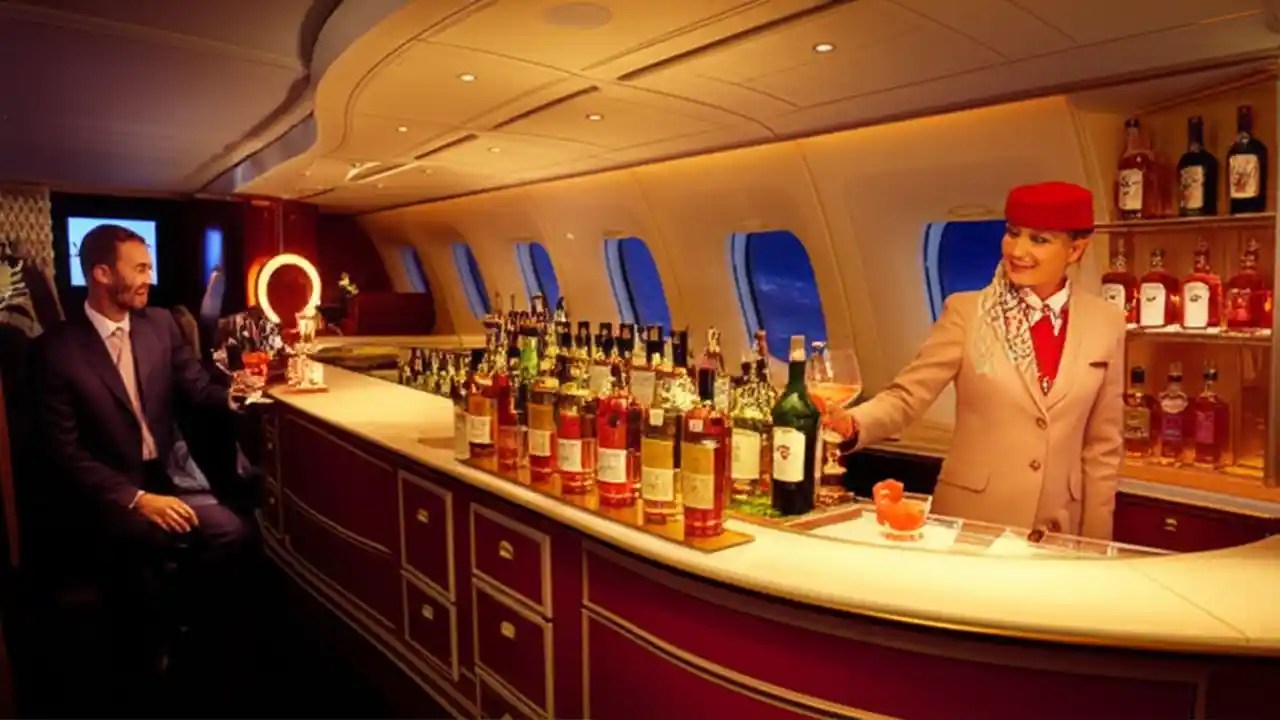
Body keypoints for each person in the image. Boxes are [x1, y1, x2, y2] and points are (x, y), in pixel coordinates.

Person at [829, 182, 1125, 539]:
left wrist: (1095, 545)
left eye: (1039, 240)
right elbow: (907, 397)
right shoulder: (968, 313)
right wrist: (851, 423)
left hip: (1059, 528)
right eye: (1013, 234)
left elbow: (1102, 448)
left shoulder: (1106, 323)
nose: (1018, 250)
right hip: (974, 521)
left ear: (1075, 249)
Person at [29, 224, 254, 687]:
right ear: (101, 273)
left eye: (149, 267)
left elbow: (194, 385)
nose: (148, 277)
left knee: (233, 532)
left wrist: (239, 395)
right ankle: (147, 649)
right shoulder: (57, 351)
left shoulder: (159, 325)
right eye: (139, 268)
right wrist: (136, 498)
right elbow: (63, 453)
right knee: (143, 544)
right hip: (110, 485)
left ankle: (185, 623)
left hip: (166, 471)